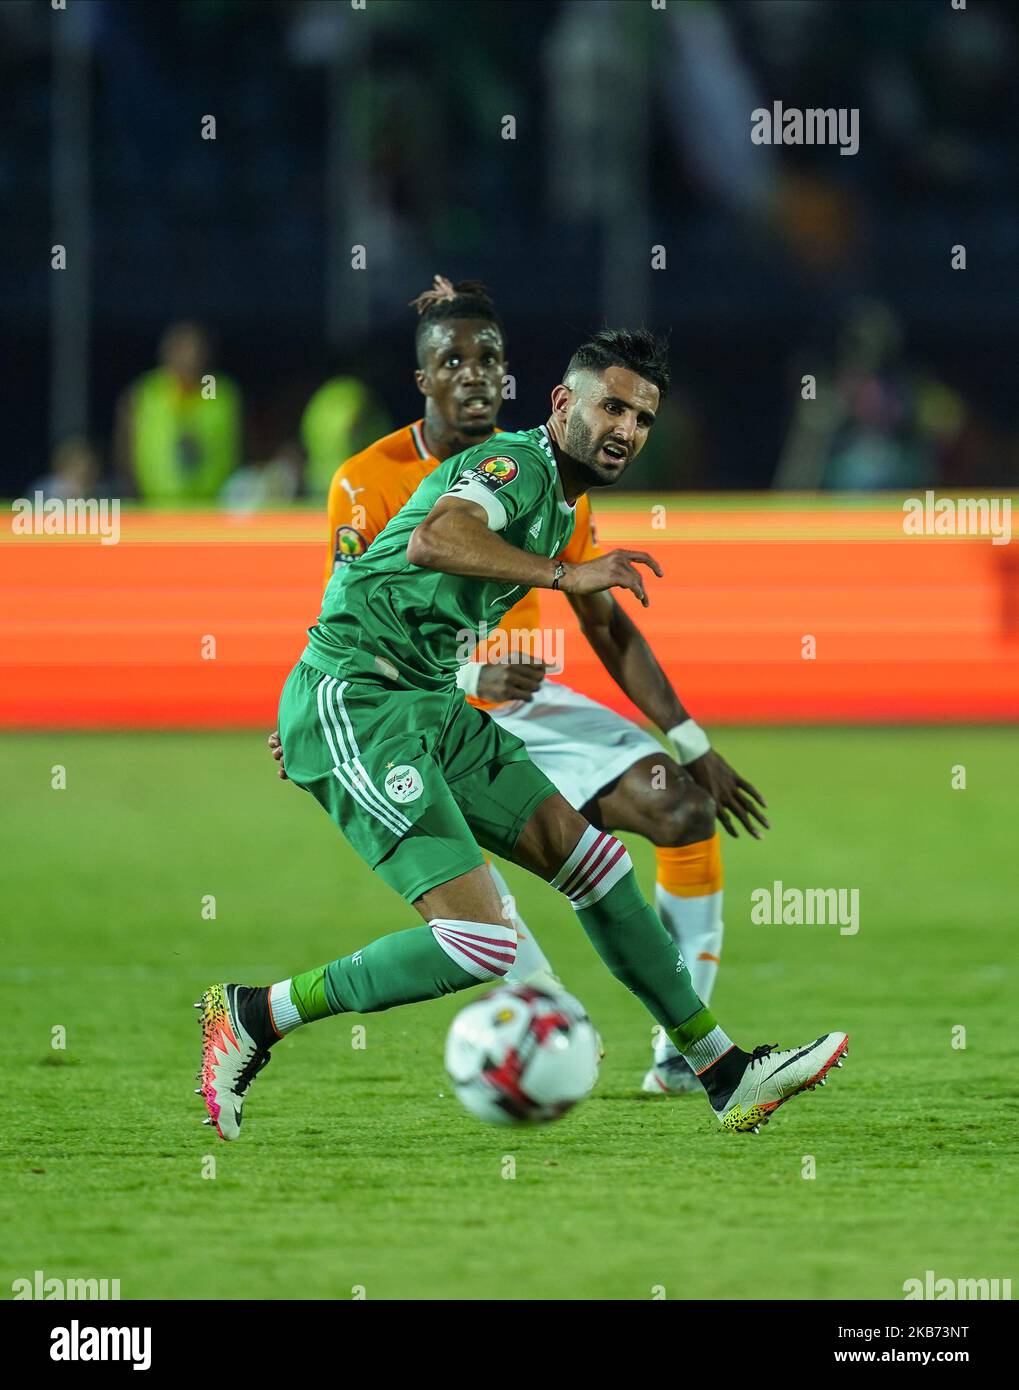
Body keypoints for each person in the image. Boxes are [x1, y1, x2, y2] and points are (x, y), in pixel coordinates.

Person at [197, 326, 848, 1141]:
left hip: (428, 702)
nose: (625, 430)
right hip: (359, 699)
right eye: (611, 406)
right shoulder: (514, 465)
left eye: (642, 418)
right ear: (561, 403)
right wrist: (564, 574)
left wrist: (684, 737)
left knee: (596, 864)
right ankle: (254, 1015)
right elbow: (438, 536)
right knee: (477, 944)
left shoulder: (563, 500)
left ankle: (723, 1072)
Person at [274, 278, 764, 1094]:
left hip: (504, 695)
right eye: (454, 360)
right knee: (480, 923)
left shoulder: (541, 473)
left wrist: (689, 739)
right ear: (423, 378)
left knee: (671, 809)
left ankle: (697, 1058)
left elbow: (604, 621)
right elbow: (355, 596)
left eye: (490, 358)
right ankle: (541, 1015)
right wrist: (326, 716)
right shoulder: (375, 474)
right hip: (408, 693)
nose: (476, 375)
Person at [115, 321, 241, 501]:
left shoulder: (218, 391)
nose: (192, 355)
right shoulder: (146, 392)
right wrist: (131, 491)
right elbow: (125, 446)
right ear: (167, 351)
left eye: (197, 349)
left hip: (212, 502)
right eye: (183, 348)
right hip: (156, 502)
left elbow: (239, 444)